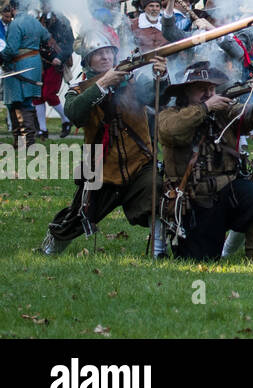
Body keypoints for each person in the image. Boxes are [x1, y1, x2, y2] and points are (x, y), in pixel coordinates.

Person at [41, 31, 167, 254]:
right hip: (100, 167)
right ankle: (53, 247)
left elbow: (159, 96)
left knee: (157, 194)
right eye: (98, 53)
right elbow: (75, 114)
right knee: (79, 215)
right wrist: (103, 84)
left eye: (108, 52)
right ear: (88, 60)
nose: (105, 57)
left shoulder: (133, 82)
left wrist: (162, 76)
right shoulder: (78, 90)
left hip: (139, 161)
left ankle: (159, 250)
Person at [157, 61, 253, 259]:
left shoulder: (224, 110)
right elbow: (170, 130)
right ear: (186, 92)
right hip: (194, 198)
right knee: (201, 258)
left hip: (228, 189)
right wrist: (205, 107)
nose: (208, 94)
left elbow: (252, 118)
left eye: (211, 89)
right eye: (201, 89)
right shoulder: (170, 114)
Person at [2, 0, 52, 146]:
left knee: (20, 103)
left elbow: (11, 50)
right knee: (21, 102)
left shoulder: (15, 23)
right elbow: (46, 37)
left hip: (19, 65)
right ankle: (22, 141)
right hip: (34, 64)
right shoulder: (35, 22)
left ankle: (27, 141)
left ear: (12, 7)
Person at [36, 0, 76, 137]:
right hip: (41, 62)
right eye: (42, 2)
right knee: (38, 96)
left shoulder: (62, 20)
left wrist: (59, 58)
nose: (43, 5)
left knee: (48, 93)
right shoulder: (39, 20)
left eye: (45, 2)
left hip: (55, 63)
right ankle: (42, 129)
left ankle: (66, 119)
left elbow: (70, 43)